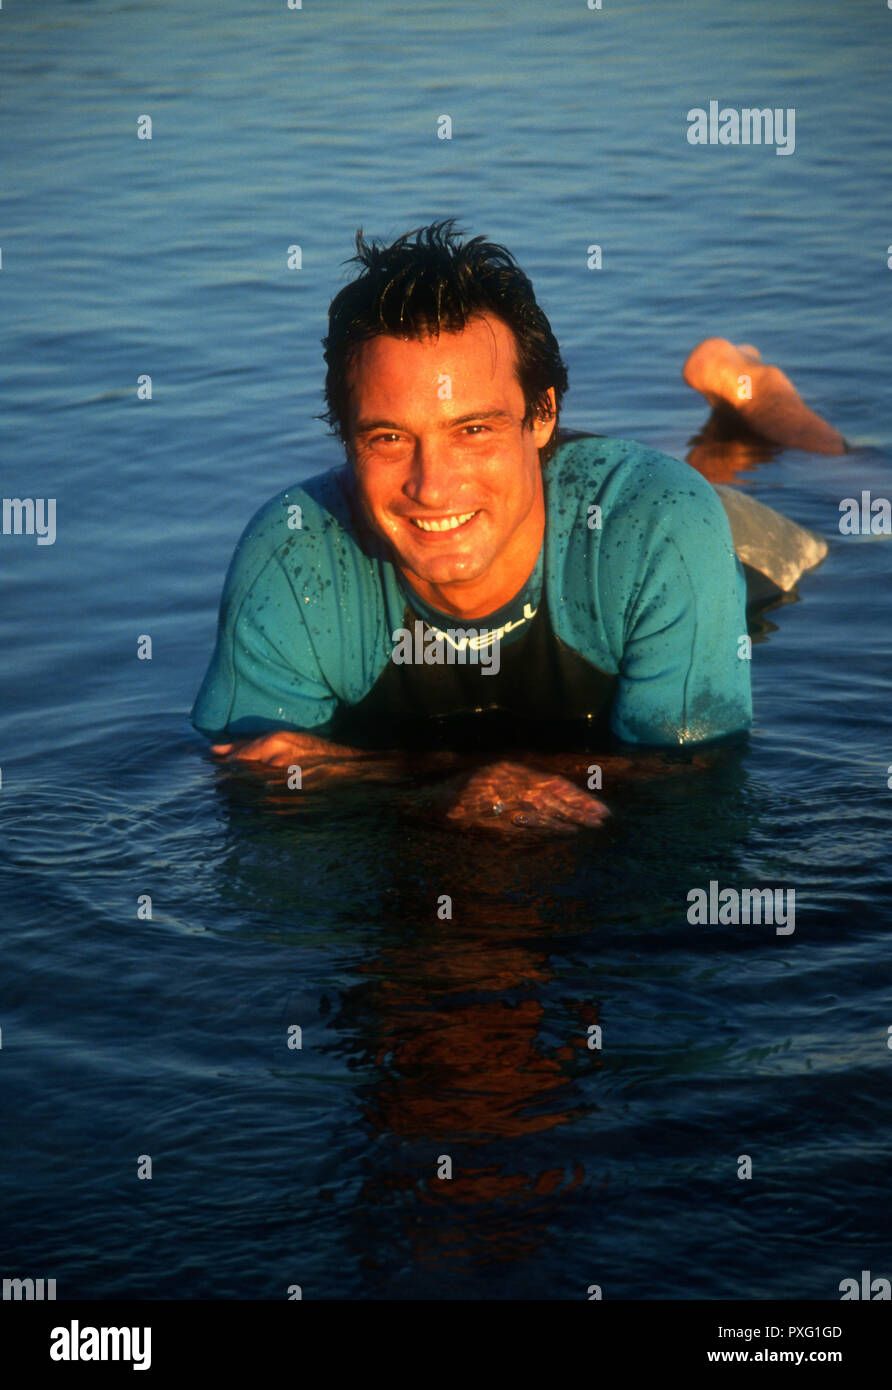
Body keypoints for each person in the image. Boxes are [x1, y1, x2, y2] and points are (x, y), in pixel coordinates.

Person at [191, 222, 837, 831]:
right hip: (580, 505)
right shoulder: (294, 560)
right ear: (345, 439)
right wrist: (448, 792)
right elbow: (250, 783)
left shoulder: (663, 531)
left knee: (859, 499)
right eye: (389, 438)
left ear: (543, 413)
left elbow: (694, 788)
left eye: (473, 429)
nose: (431, 485)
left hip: (737, 551)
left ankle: (759, 392)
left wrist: (389, 777)